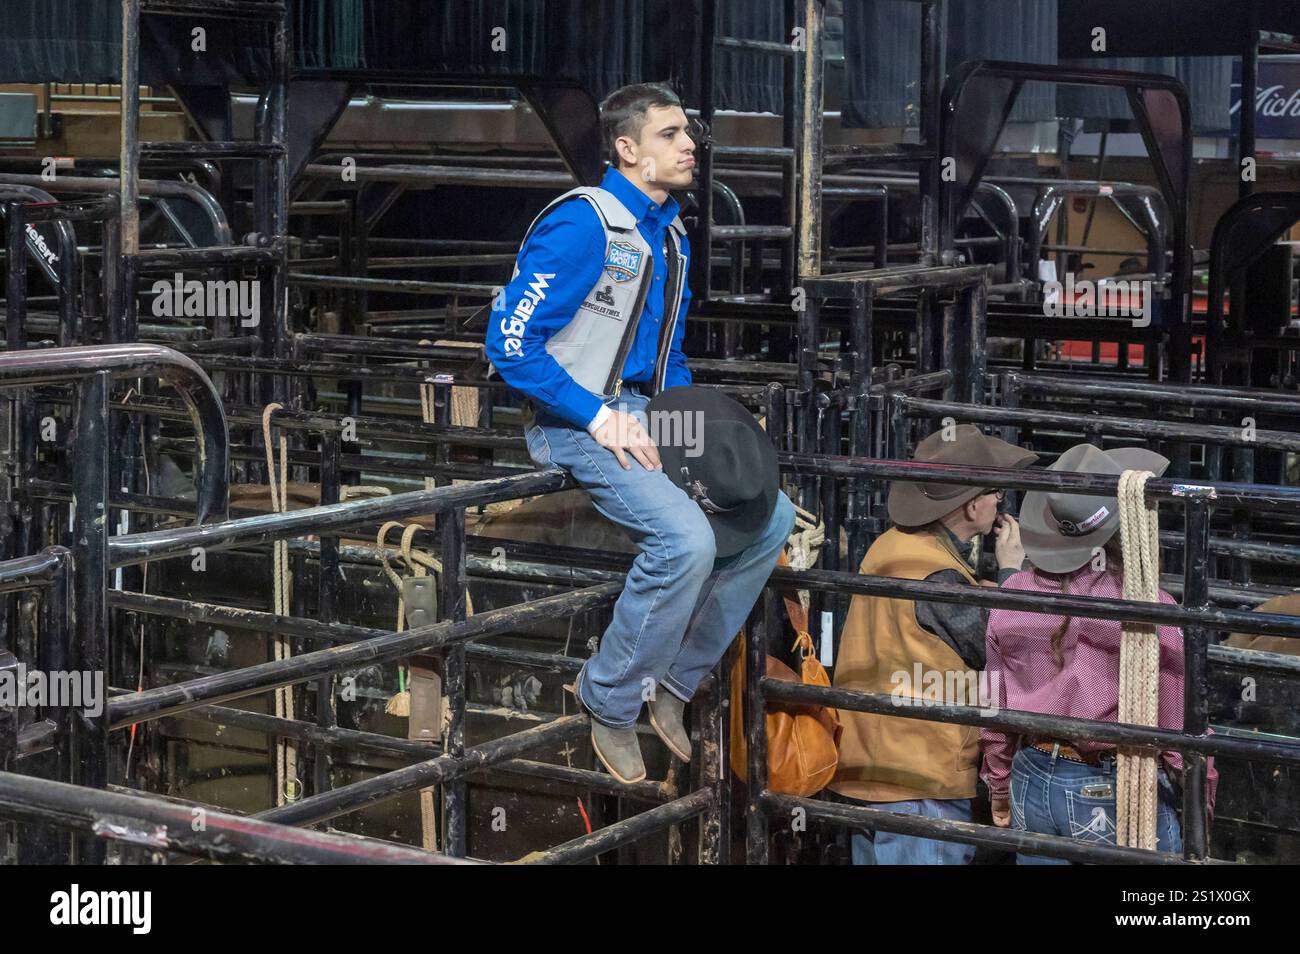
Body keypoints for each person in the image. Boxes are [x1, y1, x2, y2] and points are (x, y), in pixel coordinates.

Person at [483, 82, 795, 784]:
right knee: (683, 539)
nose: (690, 146)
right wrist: (595, 415)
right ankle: (610, 698)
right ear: (627, 149)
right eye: (670, 135)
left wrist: (701, 437)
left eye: (688, 134)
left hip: (645, 408)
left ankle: (676, 684)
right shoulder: (583, 224)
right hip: (573, 417)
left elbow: (667, 356)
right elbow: (508, 343)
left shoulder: (669, 234)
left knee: (769, 515)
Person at [983, 443, 1218, 862]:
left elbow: (993, 706)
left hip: (1032, 773)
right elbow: (1177, 727)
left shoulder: (1013, 595)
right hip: (1113, 782)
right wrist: (1202, 804)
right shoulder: (1147, 605)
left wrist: (999, 785)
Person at [829, 424, 1037, 864]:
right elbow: (996, 646)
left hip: (867, 763)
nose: (1000, 500)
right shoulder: (937, 576)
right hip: (920, 780)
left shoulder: (891, 545)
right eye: (994, 491)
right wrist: (1010, 577)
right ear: (972, 505)